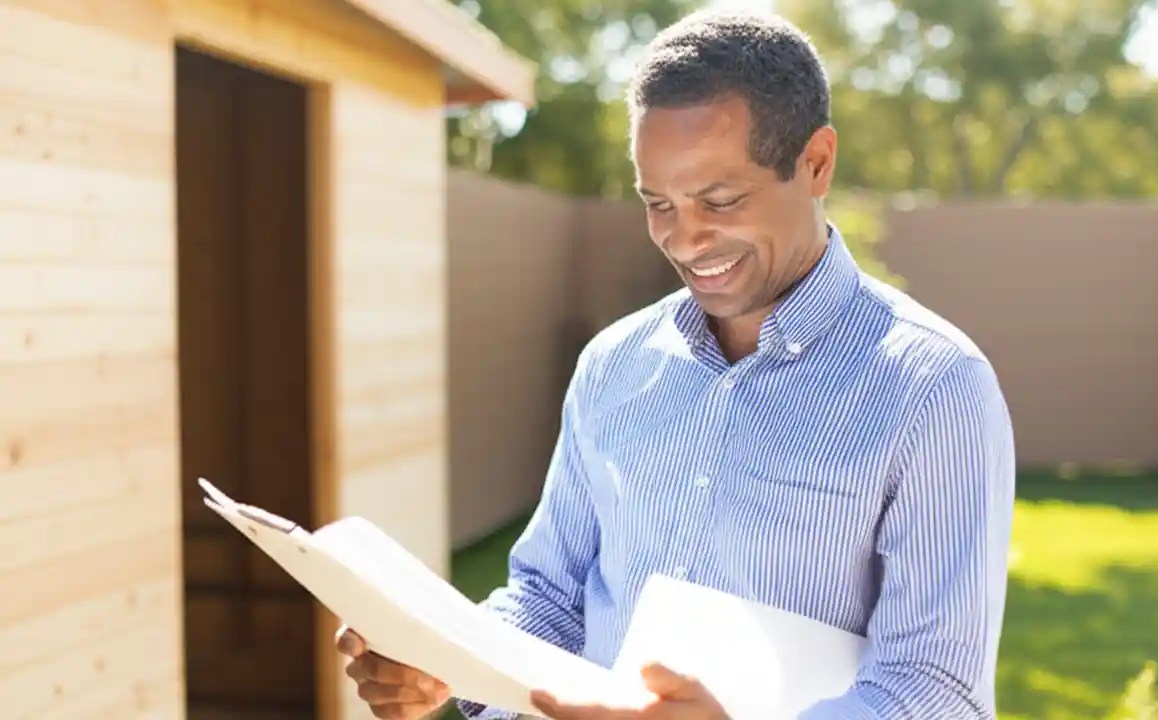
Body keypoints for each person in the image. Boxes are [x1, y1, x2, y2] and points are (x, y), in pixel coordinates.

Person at [337, 9, 1016, 720]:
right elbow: (550, 597)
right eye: (657, 203)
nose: (686, 239)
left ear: (815, 163)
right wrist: (447, 661)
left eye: (719, 201)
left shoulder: (934, 389)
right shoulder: (612, 366)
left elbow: (936, 692)